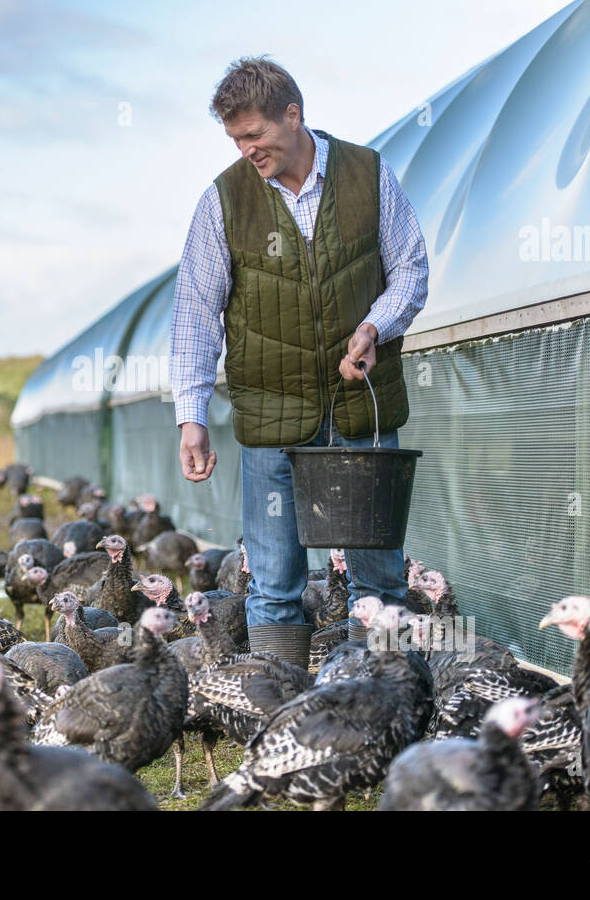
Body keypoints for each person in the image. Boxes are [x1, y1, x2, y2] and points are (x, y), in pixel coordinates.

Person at [169, 56, 429, 668]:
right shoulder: (224, 202)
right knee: (275, 585)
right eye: (235, 139)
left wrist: (374, 327)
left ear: (294, 114)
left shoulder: (369, 175)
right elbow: (195, 315)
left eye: (254, 135)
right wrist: (192, 415)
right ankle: (277, 712)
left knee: (381, 582)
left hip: (360, 412)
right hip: (272, 417)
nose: (246, 151)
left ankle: (383, 700)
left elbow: (411, 271)